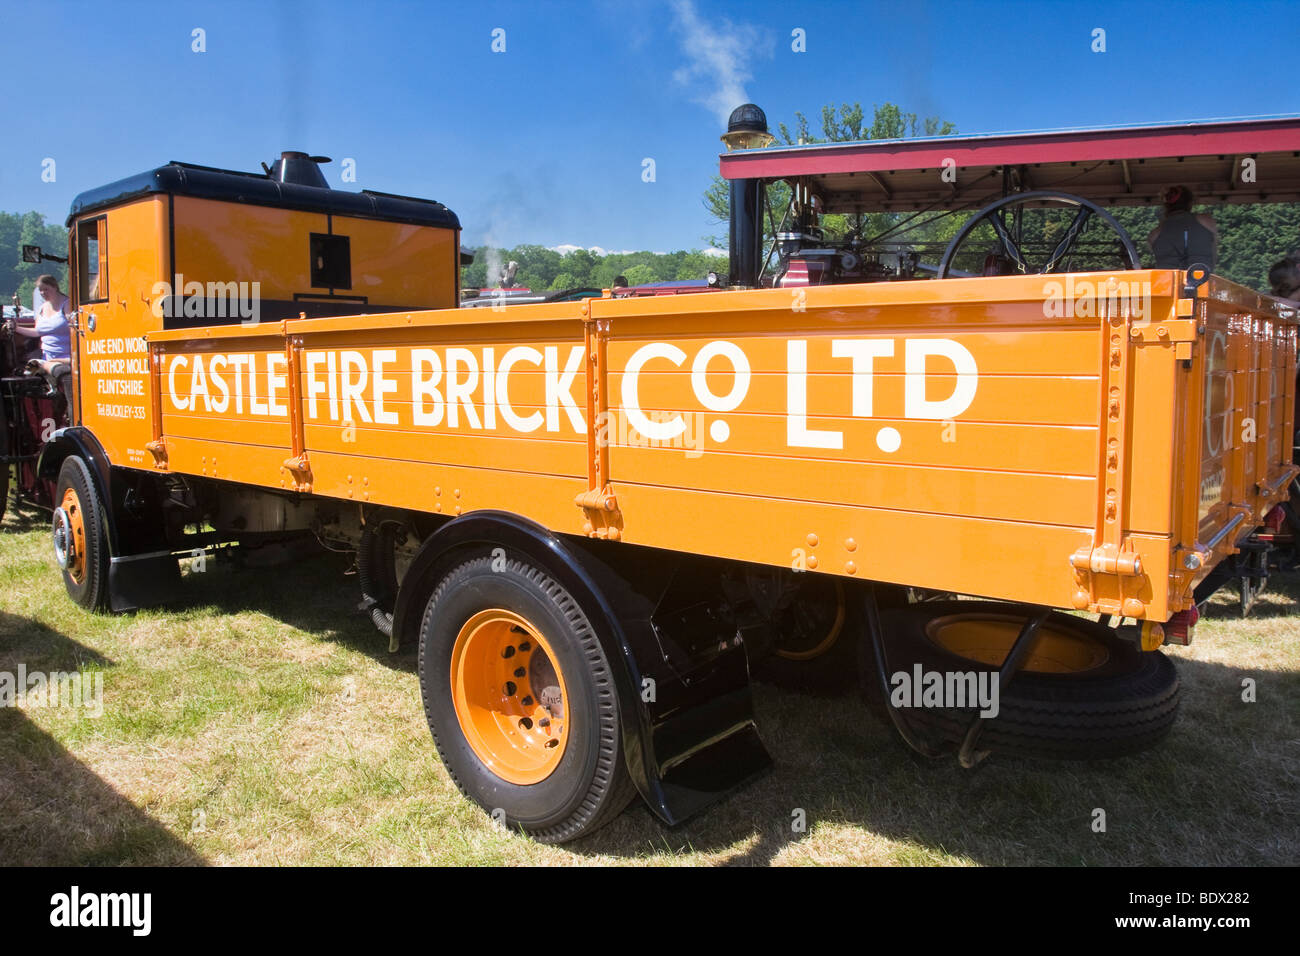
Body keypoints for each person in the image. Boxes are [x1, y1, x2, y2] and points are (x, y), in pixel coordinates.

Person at [1148, 186, 1218, 271]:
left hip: (1167, 283)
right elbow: (1213, 256)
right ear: (1190, 203)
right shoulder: (1207, 221)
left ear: (1166, 206)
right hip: (1201, 280)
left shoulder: (1154, 235)